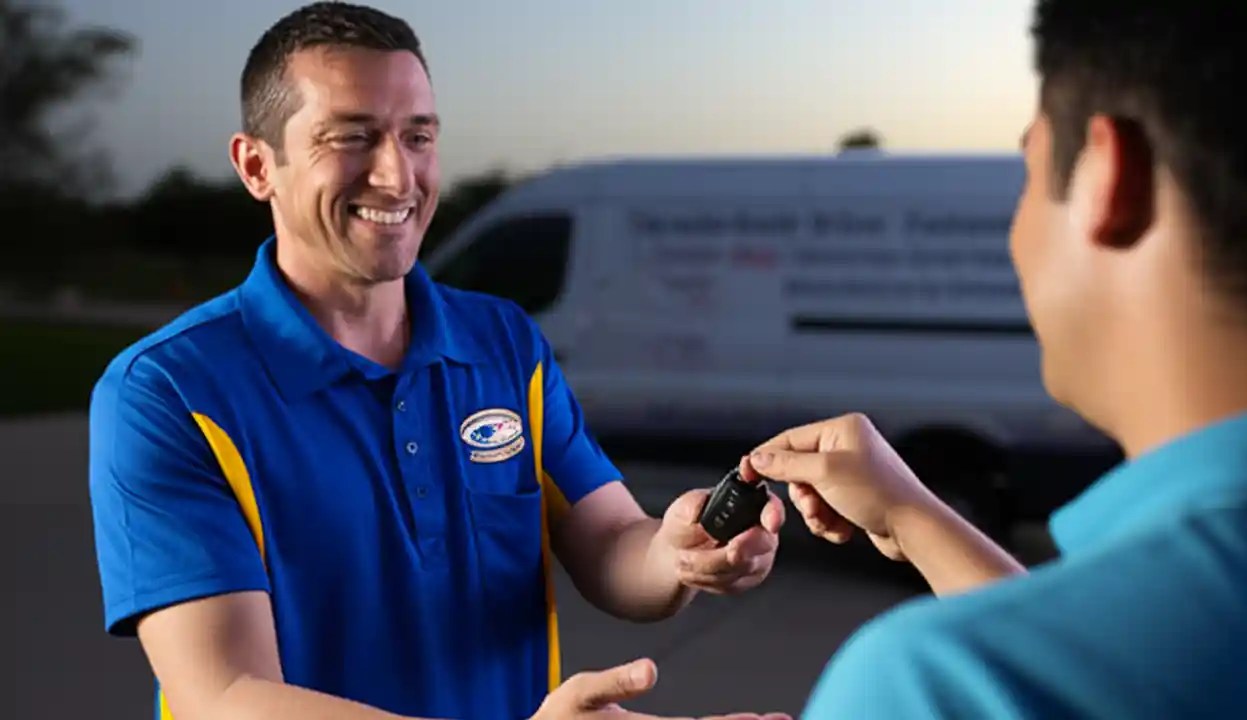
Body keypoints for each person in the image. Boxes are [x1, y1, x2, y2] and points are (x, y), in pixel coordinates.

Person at [85, 4, 787, 720]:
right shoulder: (168, 392)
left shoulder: (503, 342)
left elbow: (610, 543)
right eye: (351, 137)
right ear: (258, 165)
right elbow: (225, 695)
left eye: (418, 136)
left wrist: (678, 554)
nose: (398, 175)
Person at [740, 2, 1247, 717]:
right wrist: (910, 515)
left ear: (1106, 179)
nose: (1015, 235)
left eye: (1026, 173)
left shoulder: (926, 685)